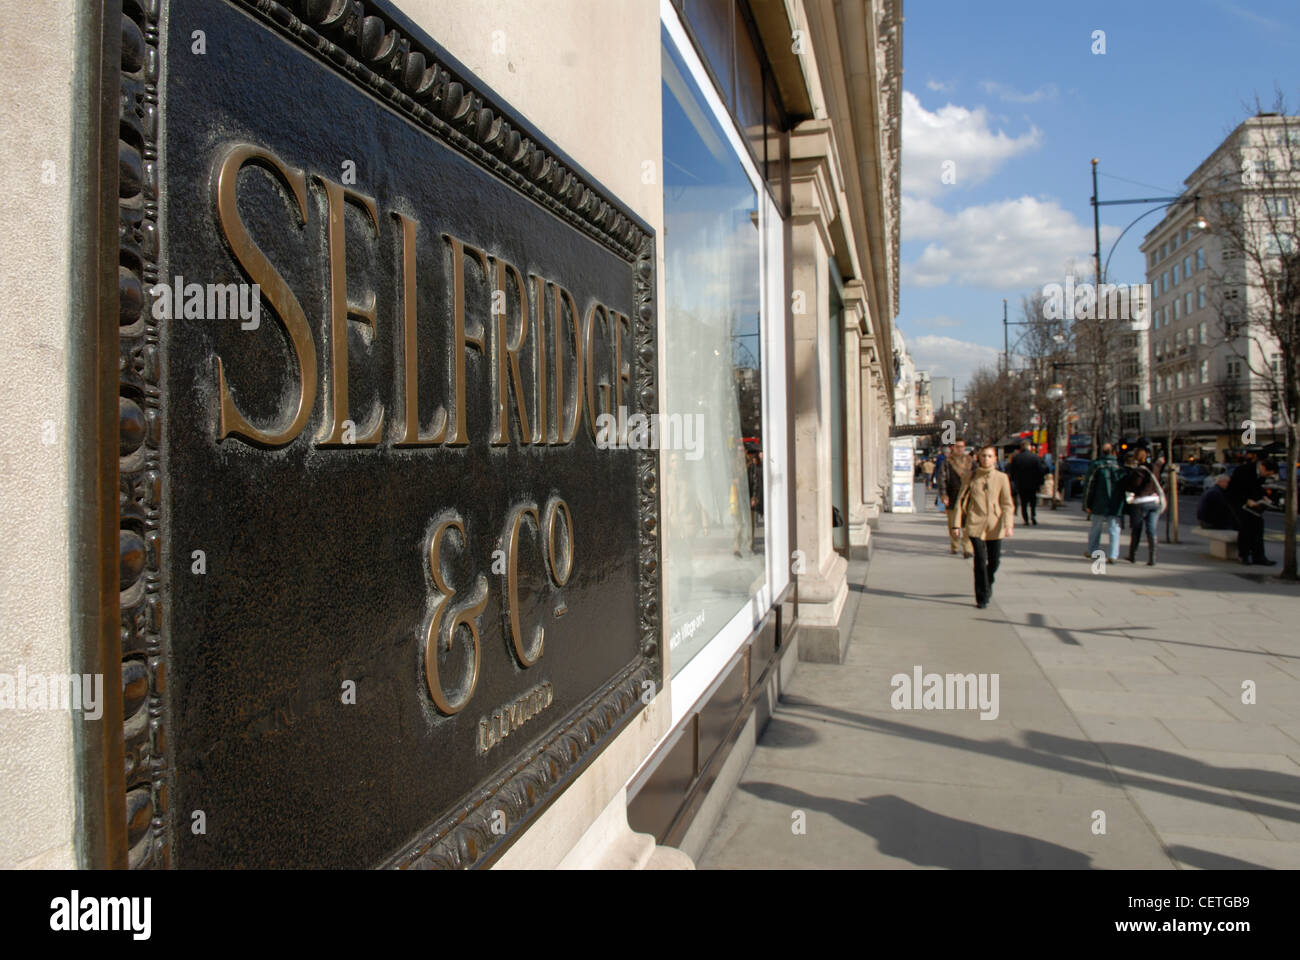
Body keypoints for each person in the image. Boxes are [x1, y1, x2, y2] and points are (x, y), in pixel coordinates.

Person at [952, 444, 1014, 609]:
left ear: (995, 458)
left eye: (989, 456)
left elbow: (1007, 503)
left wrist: (1008, 524)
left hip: (995, 524)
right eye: (983, 456)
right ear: (978, 458)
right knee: (979, 560)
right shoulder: (971, 477)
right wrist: (956, 525)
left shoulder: (1001, 478)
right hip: (975, 523)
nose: (986, 459)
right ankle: (982, 597)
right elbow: (960, 501)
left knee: (994, 562)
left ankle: (988, 581)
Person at [1227, 457, 1280, 565]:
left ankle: (1259, 556)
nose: (1267, 476)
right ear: (1263, 467)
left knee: (1258, 528)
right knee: (1245, 528)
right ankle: (1244, 555)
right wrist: (1247, 500)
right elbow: (1234, 489)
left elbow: (1258, 488)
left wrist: (1263, 498)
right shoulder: (1243, 470)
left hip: (1253, 505)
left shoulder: (1260, 475)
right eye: (1268, 473)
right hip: (1240, 503)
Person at [1082, 443, 1126, 563]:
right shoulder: (1120, 466)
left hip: (1099, 502)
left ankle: (1094, 552)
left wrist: (1086, 504)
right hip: (1116, 503)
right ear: (1113, 452)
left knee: (1096, 529)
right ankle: (1113, 555)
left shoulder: (1097, 466)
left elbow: (1089, 486)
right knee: (1114, 529)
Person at [1124, 447, 1167, 565]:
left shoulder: (1138, 471)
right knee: (1151, 530)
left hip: (1140, 502)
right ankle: (1152, 557)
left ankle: (1132, 555)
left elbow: (1133, 486)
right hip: (1154, 502)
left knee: (1137, 530)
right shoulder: (1155, 468)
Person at [939, 439, 974, 558]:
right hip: (952, 495)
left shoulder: (970, 461)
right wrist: (943, 495)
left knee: (968, 523)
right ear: (953, 448)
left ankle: (967, 548)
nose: (960, 449)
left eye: (962, 447)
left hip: (968, 496)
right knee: (953, 522)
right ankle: (954, 545)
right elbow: (942, 479)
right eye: (958, 447)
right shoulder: (947, 462)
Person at [1008, 441, 1045, 525]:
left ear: (1021, 447)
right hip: (1033, 483)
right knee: (1033, 500)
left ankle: (1026, 519)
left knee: (1023, 502)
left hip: (1021, 483)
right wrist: (1040, 482)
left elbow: (1012, 472)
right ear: (1029, 447)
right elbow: (1040, 471)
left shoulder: (1017, 458)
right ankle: (1033, 515)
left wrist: (1014, 481)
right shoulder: (1035, 457)